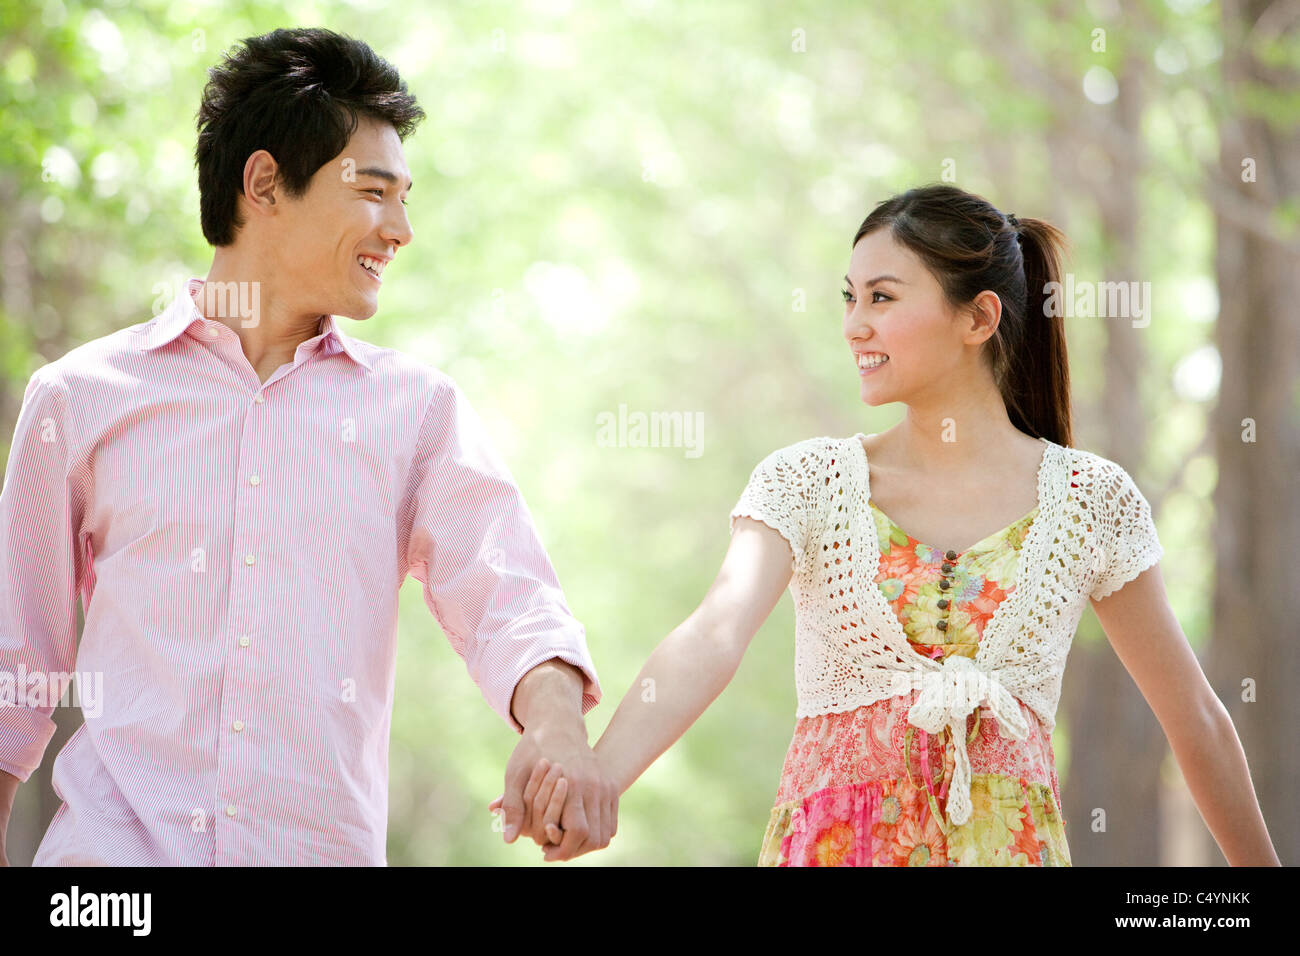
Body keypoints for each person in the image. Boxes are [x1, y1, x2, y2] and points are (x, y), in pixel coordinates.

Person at [509, 183, 1281, 866]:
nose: (853, 325)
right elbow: (714, 634)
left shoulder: (1088, 501)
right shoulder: (806, 482)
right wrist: (601, 773)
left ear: (979, 318)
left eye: (881, 298)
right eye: (848, 298)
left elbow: (1197, 720)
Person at [0, 26, 618, 866]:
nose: (400, 229)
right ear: (264, 182)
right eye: (374, 191)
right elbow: (15, 676)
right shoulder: (77, 400)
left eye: (406, 198)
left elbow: (508, 596)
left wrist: (556, 728)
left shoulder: (417, 414)